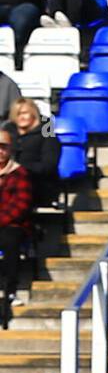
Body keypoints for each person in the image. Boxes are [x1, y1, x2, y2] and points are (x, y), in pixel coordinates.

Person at [0, 127, 33, 315]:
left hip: (13, 224)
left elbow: (20, 206)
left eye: (3, 147)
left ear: (10, 149)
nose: (0, 151)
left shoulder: (20, 173)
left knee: (10, 241)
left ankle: (10, 290)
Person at [7, 98, 61, 207]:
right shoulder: (8, 133)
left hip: (38, 183)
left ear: (33, 113)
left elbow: (49, 166)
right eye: (17, 114)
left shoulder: (47, 134)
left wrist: (19, 168)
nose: (21, 117)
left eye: (25, 113)